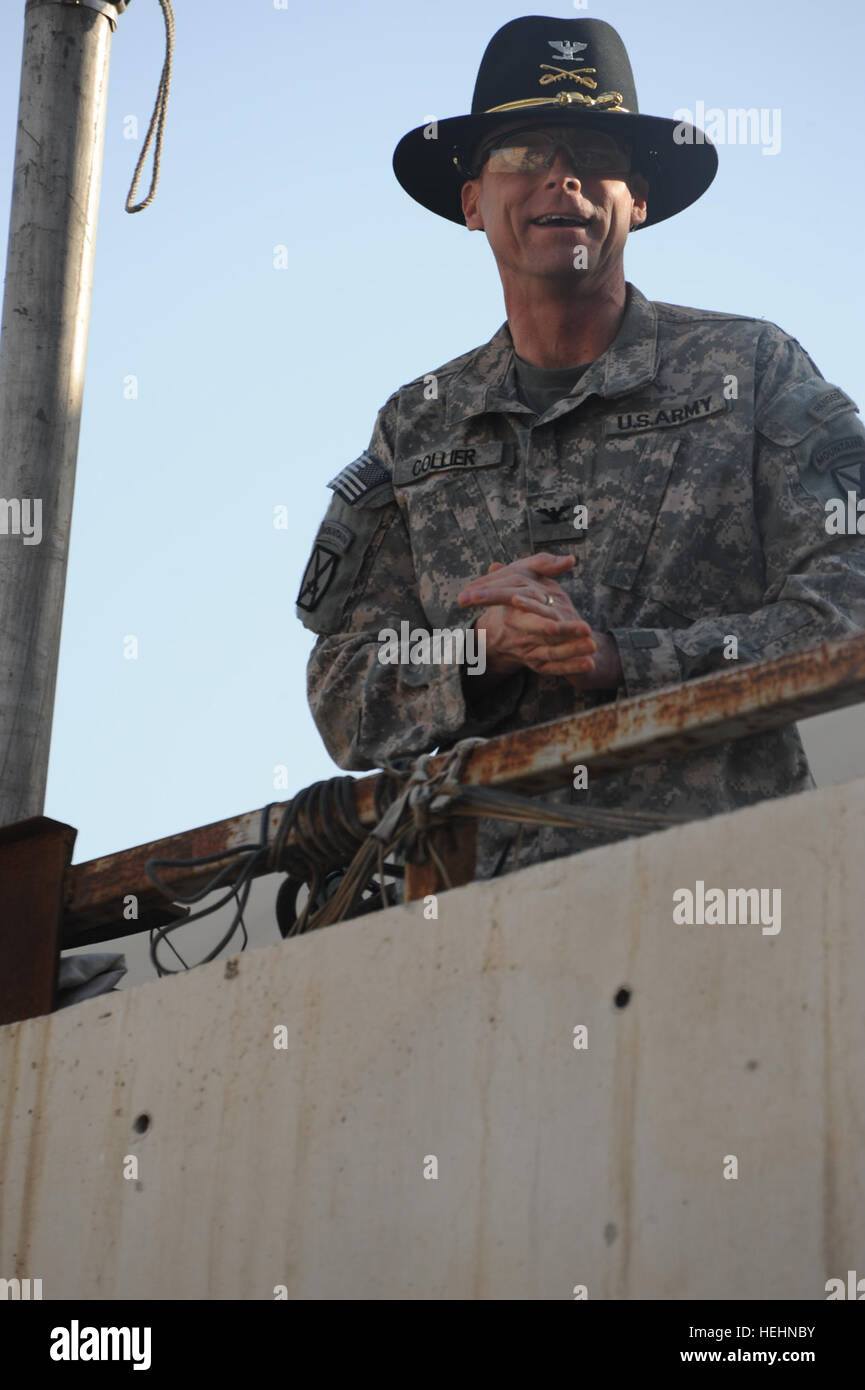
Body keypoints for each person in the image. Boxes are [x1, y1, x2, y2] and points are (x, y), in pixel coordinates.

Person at [295, 15, 865, 880]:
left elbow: (850, 601)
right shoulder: (417, 426)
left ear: (636, 198)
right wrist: (474, 647)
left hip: (723, 881)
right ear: (473, 202)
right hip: (473, 914)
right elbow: (343, 693)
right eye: (524, 153)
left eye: (592, 152)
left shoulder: (750, 368)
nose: (559, 176)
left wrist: (621, 658)